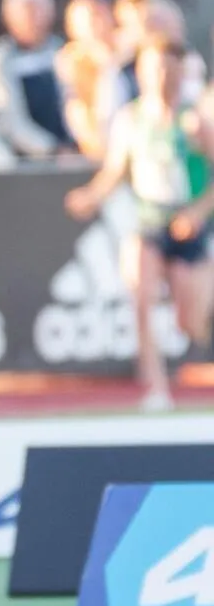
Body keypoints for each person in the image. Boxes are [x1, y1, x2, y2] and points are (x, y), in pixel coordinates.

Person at [66, 35, 214, 412]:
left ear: (180, 72)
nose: (161, 77)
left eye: (167, 69)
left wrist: (197, 213)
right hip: (148, 221)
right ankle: (156, 388)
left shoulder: (196, 118)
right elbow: (116, 169)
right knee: (142, 301)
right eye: (153, 69)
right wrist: (92, 196)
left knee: (191, 323)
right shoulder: (130, 118)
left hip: (188, 225)